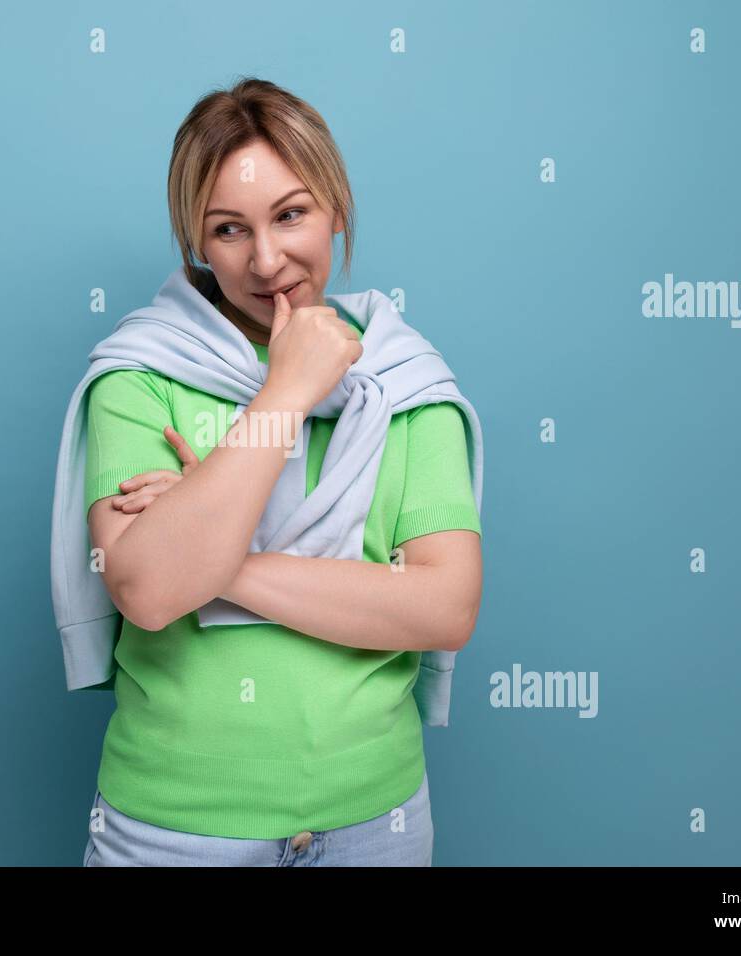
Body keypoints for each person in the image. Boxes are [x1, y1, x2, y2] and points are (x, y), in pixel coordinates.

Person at [79, 77, 483, 866]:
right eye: (229, 230)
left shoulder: (401, 377)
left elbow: (445, 605)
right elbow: (150, 590)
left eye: (291, 215)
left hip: (376, 826)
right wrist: (288, 389)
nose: (267, 260)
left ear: (336, 206)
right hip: (173, 831)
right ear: (198, 242)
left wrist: (220, 563)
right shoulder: (141, 373)